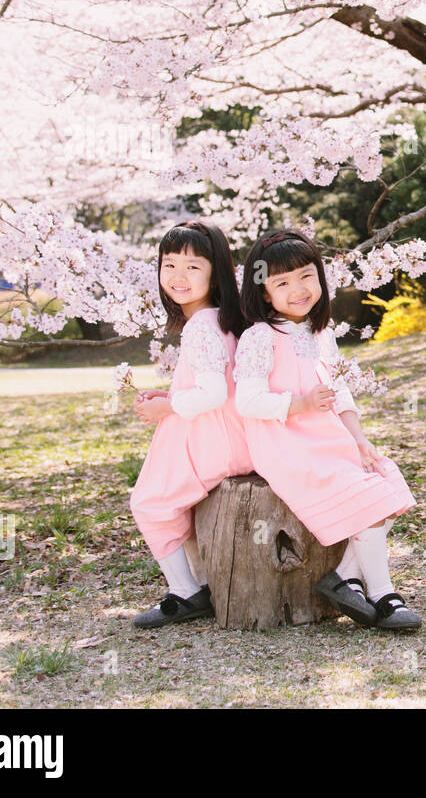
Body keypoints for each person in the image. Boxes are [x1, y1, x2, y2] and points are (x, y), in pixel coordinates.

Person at [233, 227, 420, 630]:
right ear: (264, 292)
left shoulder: (320, 333)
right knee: (370, 499)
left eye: (306, 276)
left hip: (329, 435)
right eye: (281, 283)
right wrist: (298, 404)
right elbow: (246, 400)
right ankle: (383, 593)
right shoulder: (259, 337)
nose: (298, 289)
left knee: (385, 481)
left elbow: (341, 392)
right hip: (286, 444)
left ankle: (346, 576)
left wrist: (359, 439)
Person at [129, 220, 252, 628]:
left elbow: (213, 393)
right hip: (227, 432)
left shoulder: (201, 325)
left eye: (193, 267)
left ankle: (186, 591)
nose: (178, 277)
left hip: (212, 437)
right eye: (169, 265)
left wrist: (167, 410)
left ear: (215, 272)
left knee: (148, 501)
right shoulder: (220, 318)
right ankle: (200, 579)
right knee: (168, 498)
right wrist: (170, 398)